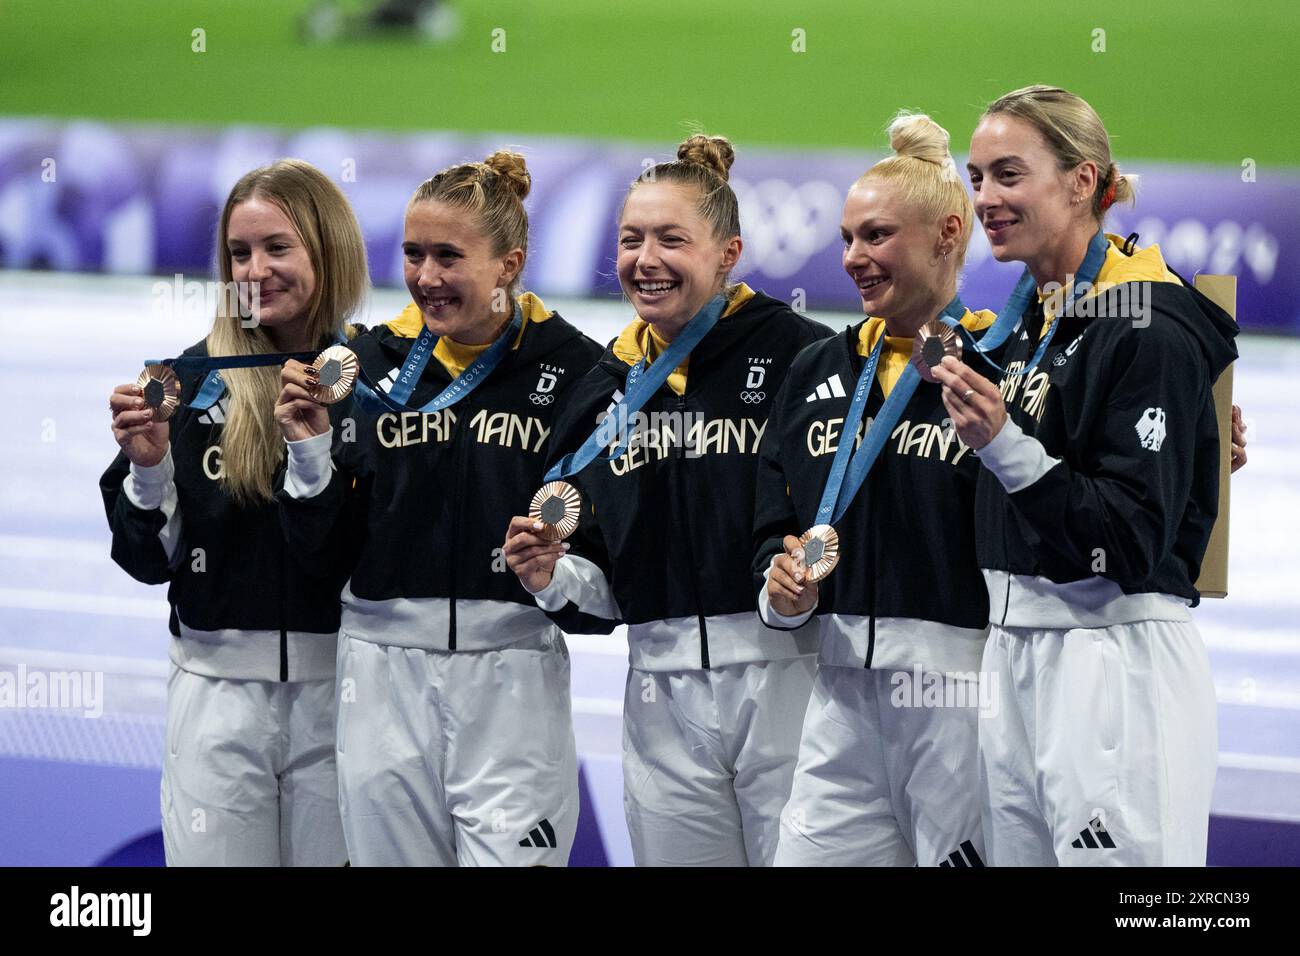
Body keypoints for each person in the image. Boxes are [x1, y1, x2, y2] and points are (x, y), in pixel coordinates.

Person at [503, 134, 833, 866]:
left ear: (728, 252)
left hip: (791, 676)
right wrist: (547, 574)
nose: (645, 260)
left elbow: (841, 518)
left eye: (670, 240)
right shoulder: (603, 385)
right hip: (659, 696)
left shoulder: (801, 357)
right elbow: (600, 586)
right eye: (630, 240)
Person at [935, 84, 1239, 866]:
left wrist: (1005, 445)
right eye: (976, 179)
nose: (986, 200)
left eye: (1008, 175)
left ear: (1081, 181)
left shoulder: (1148, 325)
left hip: (1112, 665)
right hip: (1016, 657)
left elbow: (1129, 538)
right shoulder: (1029, 320)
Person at [275, 151, 603, 866]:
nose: (425, 276)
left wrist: (553, 578)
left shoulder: (581, 371)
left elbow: (608, 566)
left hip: (512, 677)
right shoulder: (360, 363)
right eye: (413, 253)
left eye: (449, 256)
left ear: (508, 264)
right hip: (379, 680)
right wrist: (307, 453)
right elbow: (319, 554)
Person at [102, 159, 367, 865]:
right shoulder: (182, 383)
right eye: (238, 253)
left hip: (350, 695)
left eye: (277, 247)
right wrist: (148, 467)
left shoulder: (382, 385)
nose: (254, 270)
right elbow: (144, 561)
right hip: (215, 704)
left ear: (329, 247)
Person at [754, 113, 998, 867]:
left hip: (961, 697)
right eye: (849, 239)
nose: (855, 258)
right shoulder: (816, 370)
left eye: (878, 237)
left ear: (948, 234)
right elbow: (777, 515)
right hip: (841, 695)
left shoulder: (1000, 366)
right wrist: (781, 588)